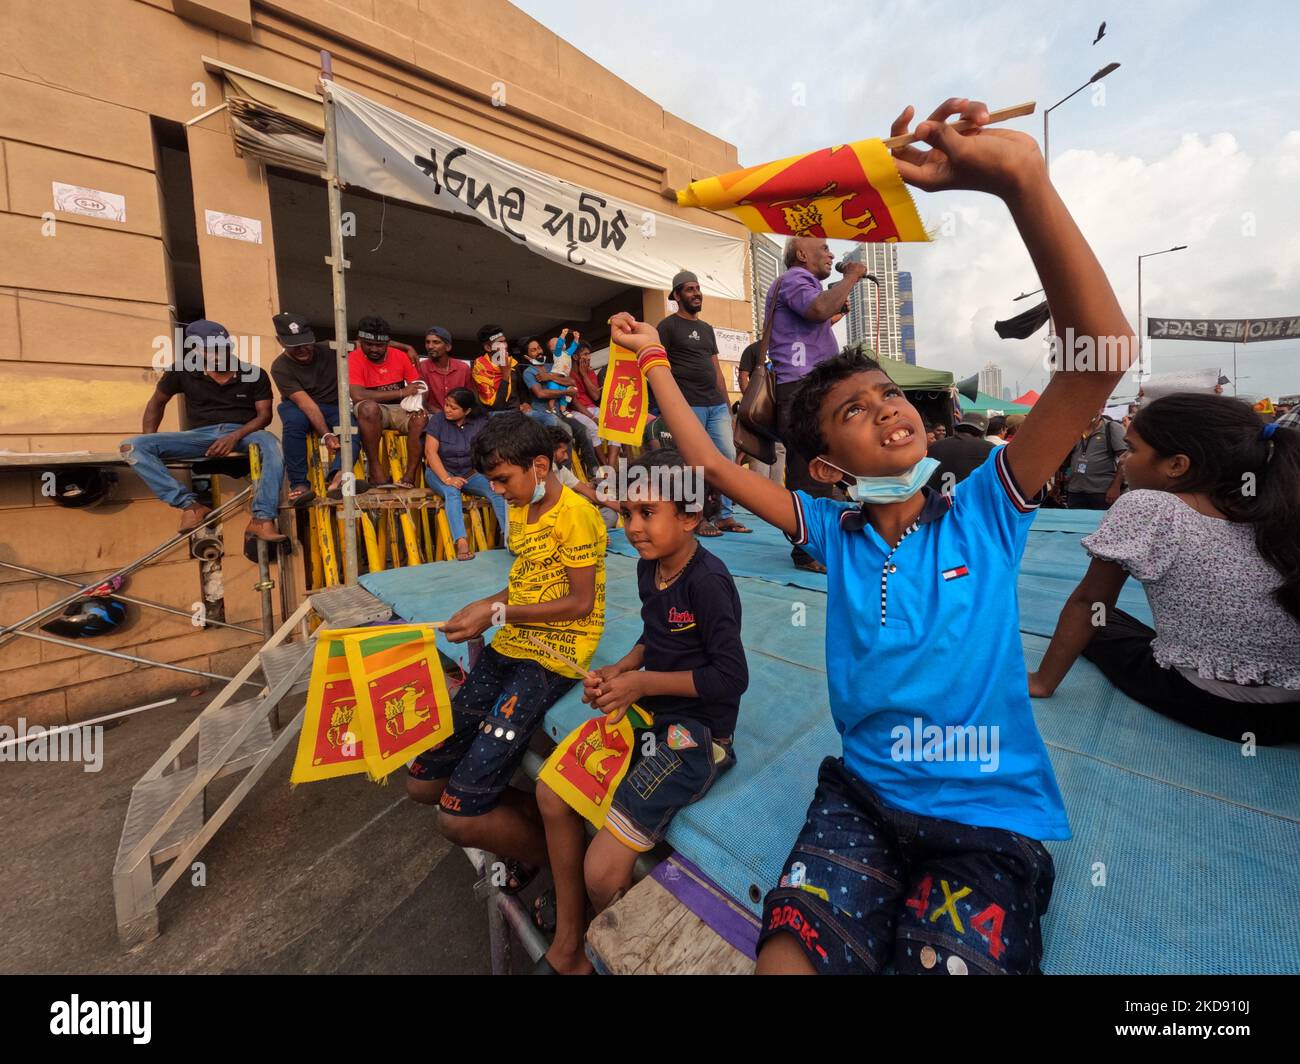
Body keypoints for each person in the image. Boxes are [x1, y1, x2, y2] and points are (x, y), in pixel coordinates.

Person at [611, 94, 1139, 975]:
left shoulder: (987, 504)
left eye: (888, 394)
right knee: (786, 960)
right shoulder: (829, 526)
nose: (888, 407)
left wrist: (1019, 181)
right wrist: (653, 357)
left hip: (986, 818)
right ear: (828, 471)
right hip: (861, 799)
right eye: (854, 410)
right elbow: (706, 457)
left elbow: (1100, 354)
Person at [535, 448, 747, 974]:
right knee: (548, 791)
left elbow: (731, 678)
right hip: (649, 717)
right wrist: (621, 670)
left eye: (646, 513)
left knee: (603, 871)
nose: (631, 527)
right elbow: (655, 639)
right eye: (626, 513)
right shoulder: (650, 567)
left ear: (691, 515)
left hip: (696, 736)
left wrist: (641, 682)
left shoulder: (709, 582)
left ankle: (618, 950)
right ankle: (574, 931)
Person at [406, 412, 607, 891]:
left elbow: (579, 602)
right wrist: (486, 605)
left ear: (540, 466)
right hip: (511, 642)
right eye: (491, 481)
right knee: (421, 783)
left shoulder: (578, 515)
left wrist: (496, 611)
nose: (496, 491)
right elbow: (525, 584)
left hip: (554, 654)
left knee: (456, 818)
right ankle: (549, 836)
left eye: (501, 479)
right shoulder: (521, 506)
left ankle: (568, 874)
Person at [1030, 394, 1300, 742]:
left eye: (1132, 449)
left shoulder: (1150, 507)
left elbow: (1088, 603)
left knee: (1102, 623)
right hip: (1290, 714)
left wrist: (1042, 681)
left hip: (1214, 704)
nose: (1124, 460)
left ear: (1177, 465)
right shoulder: (1283, 510)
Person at [122, 319, 286, 544]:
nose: (218, 355)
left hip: (245, 432)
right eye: (211, 351)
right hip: (200, 435)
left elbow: (264, 416)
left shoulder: (254, 373)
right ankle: (190, 506)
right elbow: (156, 403)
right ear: (197, 351)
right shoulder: (181, 371)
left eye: (223, 349)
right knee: (133, 446)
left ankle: (262, 519)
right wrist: (150, 437)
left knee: (272, 445)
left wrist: (234, 436)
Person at [765, 238, 869, 572]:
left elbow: (817, 317)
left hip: (805, 386)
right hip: (801, 388)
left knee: (817, 469)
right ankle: (808, 552)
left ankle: (817, 544)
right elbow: (817, 310)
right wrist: (850, 277)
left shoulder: (800, 284)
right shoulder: (797, 278)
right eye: (823, 248)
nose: (832, 254)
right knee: (809, 472)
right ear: (801, 255)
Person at [656, 270, 750, 536]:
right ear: (676, 295)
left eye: (698, 288)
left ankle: (724, 516)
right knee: (693, 462)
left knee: (727, 457)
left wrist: (728, 406)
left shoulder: (707, 329)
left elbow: (716, 370)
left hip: (715, 405)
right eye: (689, 289)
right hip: (688, 405)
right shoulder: (668, 326)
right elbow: (660, 366)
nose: (696, 293)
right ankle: (695, 516)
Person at [270, 312, 358, 506]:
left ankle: (338, 478)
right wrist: (326, 435)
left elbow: (363, 344)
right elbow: (306, 404)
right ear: (280, 341)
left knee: (351, 426)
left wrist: (405, 346)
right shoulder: (280, 367)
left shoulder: (331, 348)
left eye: (306, 342)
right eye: (294, 345)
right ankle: (299, 484)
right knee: (294, 423)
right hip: (299, 406)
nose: (302, 349)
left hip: (332, 406)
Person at [423, 387, 508, 560]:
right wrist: (447, 479)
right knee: (452, 492)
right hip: (440, 471)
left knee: (496, 490)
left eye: (453, 408)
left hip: (470, 473)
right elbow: (430, 452)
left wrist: (492, 476)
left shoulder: (480, 422)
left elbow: (490, 450)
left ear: (467, 410)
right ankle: (461, 542)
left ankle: (509, 538)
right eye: (446, 405)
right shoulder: (438, 420)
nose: (447, 409)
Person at [347, 315, 428, 488]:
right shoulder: (353, 357)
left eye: (380, 345)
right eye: (369, 344)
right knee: (368, 408)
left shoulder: (400, 356)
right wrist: (400, 392)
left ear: (388, 343)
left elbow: (418, 385)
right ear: (361, 341)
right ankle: (376, 473)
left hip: (400, 408)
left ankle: (409, 477)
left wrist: (416, 400)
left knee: (421, 417)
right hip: (374, 410)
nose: (374, 349)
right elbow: (358, 395)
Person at [545, 425, 618, 529]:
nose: (566, 457)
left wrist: (622, 508)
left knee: (610, 513)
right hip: (554, 526)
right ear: (551, 451)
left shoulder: (561, 470)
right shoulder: (535, 474)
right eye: (563, 452)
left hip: (571, 521)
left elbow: (590, 493)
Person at [737, 338, 788, 485]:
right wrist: (750, 402)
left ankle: (767, 501)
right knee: (764, 456)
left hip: (773, 414)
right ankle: (765, 501)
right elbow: (743, 377)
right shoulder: (754, 349)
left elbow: (743, 377)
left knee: (771, 454)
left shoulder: (782, 347)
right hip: (764, 415)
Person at [1063, 409, 1125, 509]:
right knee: (1075, 523)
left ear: (1103, 408)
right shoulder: (1075, 428)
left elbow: (1125, 459)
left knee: (1100, 523)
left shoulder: (1111, 427)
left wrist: (1115, 487)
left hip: (1102, 492)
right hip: (1075, 490)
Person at [926, 410, 995, 491]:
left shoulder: (934, 446)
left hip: (938, 500)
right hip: (970, 501)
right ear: (983, 432)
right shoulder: (990, 449)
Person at [416, 326, 471, 410]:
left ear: (448, 347)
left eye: (436, 342)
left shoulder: (463, 368)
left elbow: (469, 398)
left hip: (459, 416)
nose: (430, 346)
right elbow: (421, 401)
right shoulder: (421, 367)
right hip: (432, 416)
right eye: (427, 342)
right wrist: (441, 415)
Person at [471, 324, 514, 411]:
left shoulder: (512, 363)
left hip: (516, 413)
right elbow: (496, 406)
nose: (505, 345)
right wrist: (505, 374)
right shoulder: (479, 370)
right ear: (488, 348)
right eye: (500, 343)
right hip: (495, 416)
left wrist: (525, 403)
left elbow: (521, 389)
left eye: (504, 341)